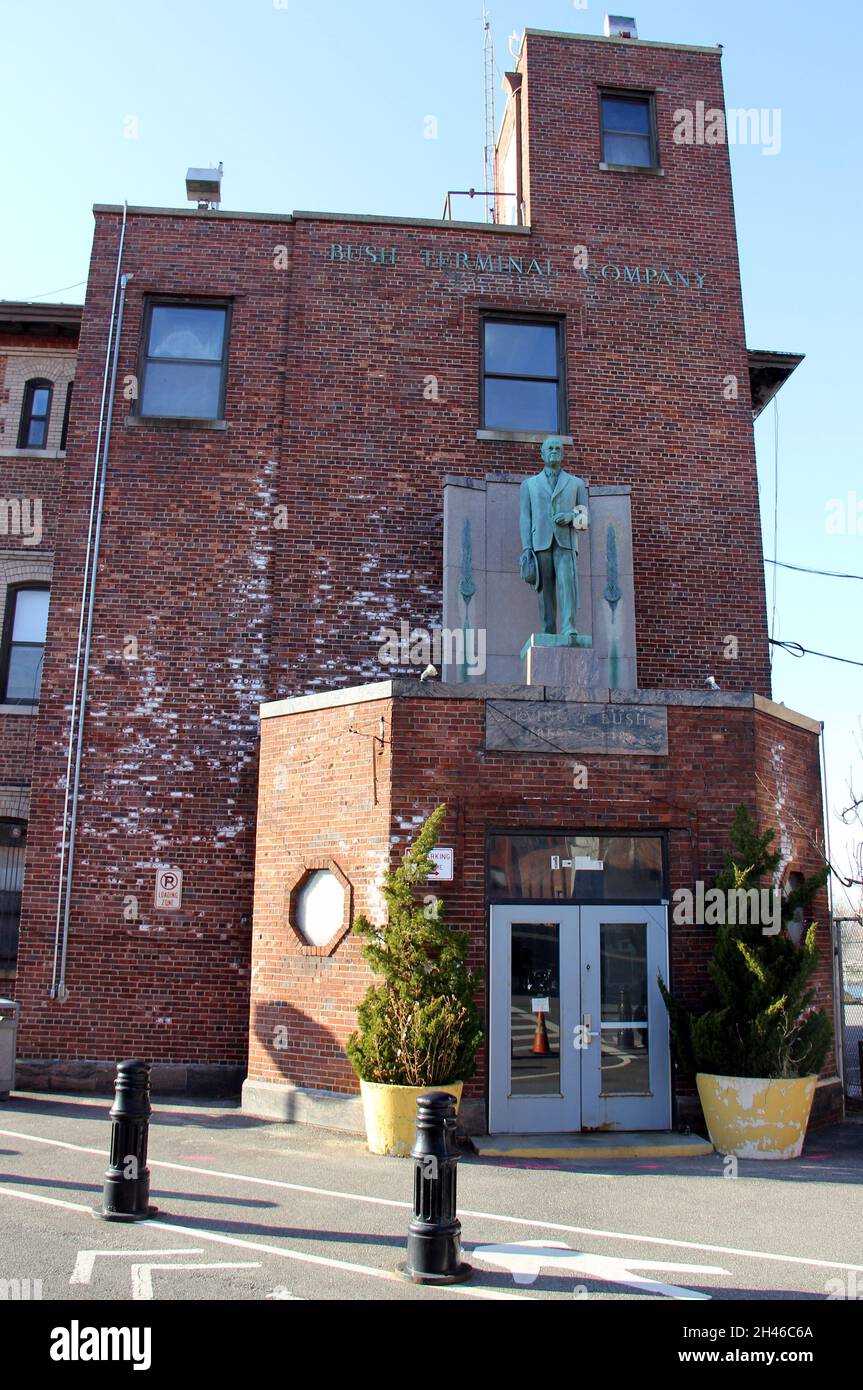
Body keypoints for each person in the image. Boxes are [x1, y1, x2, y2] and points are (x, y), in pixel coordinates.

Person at [519, 436, 589, 638]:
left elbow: (584, 520)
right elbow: (525, 518)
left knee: (567, 587)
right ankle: (548, 630)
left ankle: (569, 627)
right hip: (540, 543)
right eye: (549, 448)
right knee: (545, 591)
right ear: (542, 453)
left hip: (565, 542)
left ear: (563, 453)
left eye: (558, 448)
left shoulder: (576, 483)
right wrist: (526, 547)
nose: (554, 451)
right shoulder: (529, 485)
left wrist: (570, 517)